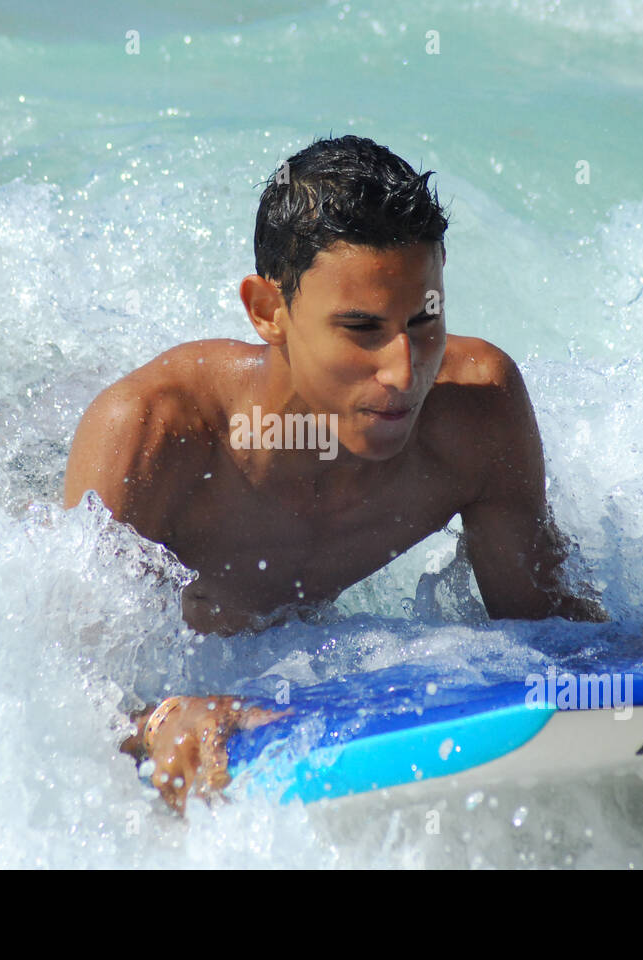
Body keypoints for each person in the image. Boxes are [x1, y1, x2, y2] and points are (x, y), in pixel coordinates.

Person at [64, 135, 606, 812]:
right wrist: (158, 718)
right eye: (362, 328)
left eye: (423, 320)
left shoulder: (475, 416)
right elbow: (63, 686)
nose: (405, 372)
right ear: (268, 311)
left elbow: (547, 626)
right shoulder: (152, 435)